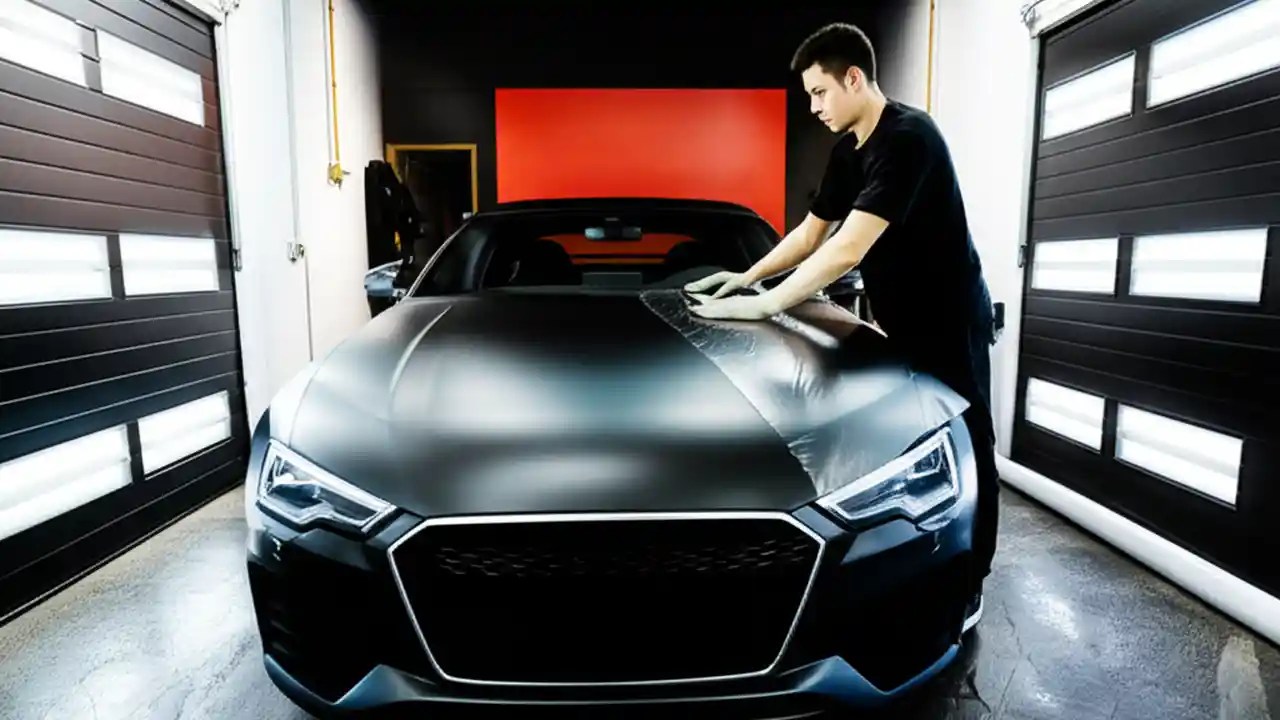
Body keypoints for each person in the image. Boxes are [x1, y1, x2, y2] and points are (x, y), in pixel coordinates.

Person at [684, 21, 997, 629]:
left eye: (819, 92)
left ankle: (971, 584)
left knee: (968, 445)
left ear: (854, 79)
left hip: (951, 319)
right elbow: (810, 235)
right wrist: (746, 278)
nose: (814, 107)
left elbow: (847, 248)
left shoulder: (910, 139)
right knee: (914, 445)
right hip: (904, 322)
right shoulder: (847, 151)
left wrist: (765, 306)